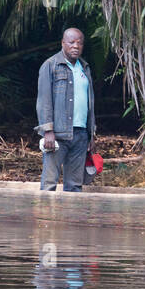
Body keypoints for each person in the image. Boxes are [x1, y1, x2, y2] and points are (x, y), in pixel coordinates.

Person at [35, 28, 95, 192]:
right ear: (63, 43)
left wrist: (91, 135)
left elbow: (90, 103)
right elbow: (44, 100)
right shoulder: (50, 65)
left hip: (81, 135)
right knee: (49, 183)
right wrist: (48, 130)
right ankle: (45, 217)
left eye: (80, 43)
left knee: (75, 185)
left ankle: (72, 218)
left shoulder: (85, 67)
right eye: (72, 42)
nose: (76, 46)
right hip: (58, 134)